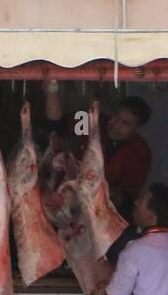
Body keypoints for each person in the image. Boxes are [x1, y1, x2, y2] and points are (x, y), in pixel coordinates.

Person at [45, 81, 153, 213]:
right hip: (63, 204)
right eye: (116, 117)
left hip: (102, 212)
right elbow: (57, 124)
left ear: (136, 129)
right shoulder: (93, 122)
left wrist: (95, 187)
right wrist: (52, 88)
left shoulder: (140, 152)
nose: (116, 125)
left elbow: (126, 194)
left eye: (125, 123)